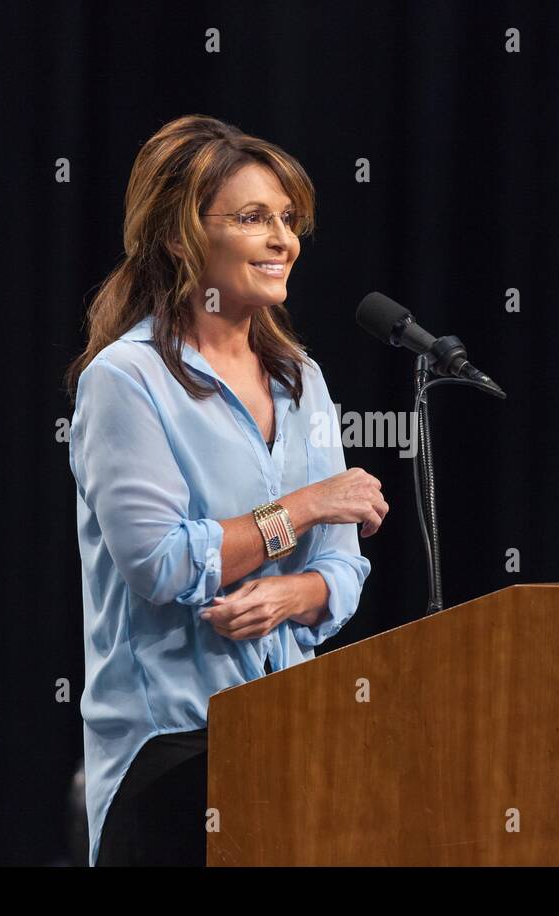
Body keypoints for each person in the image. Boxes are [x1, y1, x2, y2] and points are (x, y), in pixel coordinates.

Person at [65, 115, 388, 867]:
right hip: (172, 748)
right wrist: (304, 508)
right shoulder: (127, 380)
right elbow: (161, 567)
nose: (283, 240)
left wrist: (292, 595)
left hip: (294, 732)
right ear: (180, 237)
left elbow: (343, 572)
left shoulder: (300, 379)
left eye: (287, 220)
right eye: (252, 218)